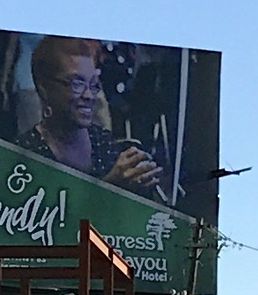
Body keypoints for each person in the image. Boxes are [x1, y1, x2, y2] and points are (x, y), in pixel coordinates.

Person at [18, 35, 163, 195]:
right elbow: (53, 216)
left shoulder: (103, 143)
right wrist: (108, 186)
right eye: (77, 84)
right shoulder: (26, 154)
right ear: (44, 88)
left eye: (93, 85)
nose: (89, 95)